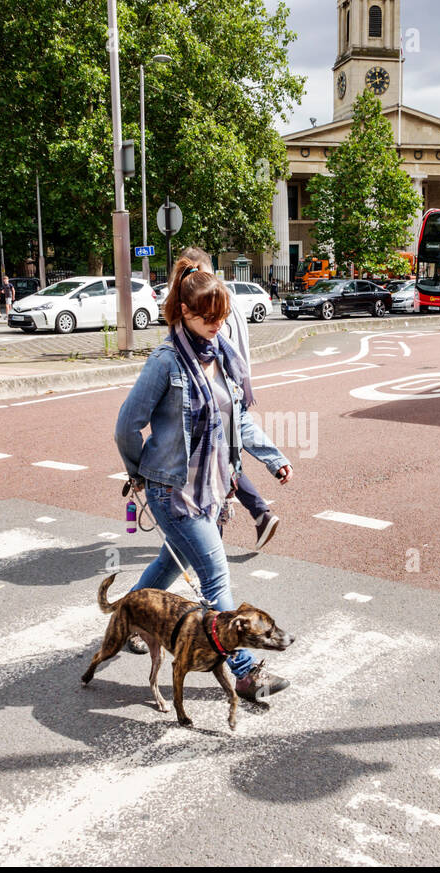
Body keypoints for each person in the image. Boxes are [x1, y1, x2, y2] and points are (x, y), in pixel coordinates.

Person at [115, 253, 294, 702]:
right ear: (185, 312)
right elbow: (127, 425)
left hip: (211, 487)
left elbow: (238, 420)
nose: (217, 325)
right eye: (208, 317)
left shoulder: (222, 358)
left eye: (221, 316)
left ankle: (128, 618)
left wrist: (273, 459)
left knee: (171, 563)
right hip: (172, 492)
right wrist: (143, 475)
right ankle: (247, 671)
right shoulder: (165, 362)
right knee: (215, 574)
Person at [181, 248, 281, 550]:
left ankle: (253, 516)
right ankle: (256, 514)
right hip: (237, 387)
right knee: (226, 463)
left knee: (220, 468)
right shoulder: (231, 302)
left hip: (220, 393)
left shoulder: (201, 312)